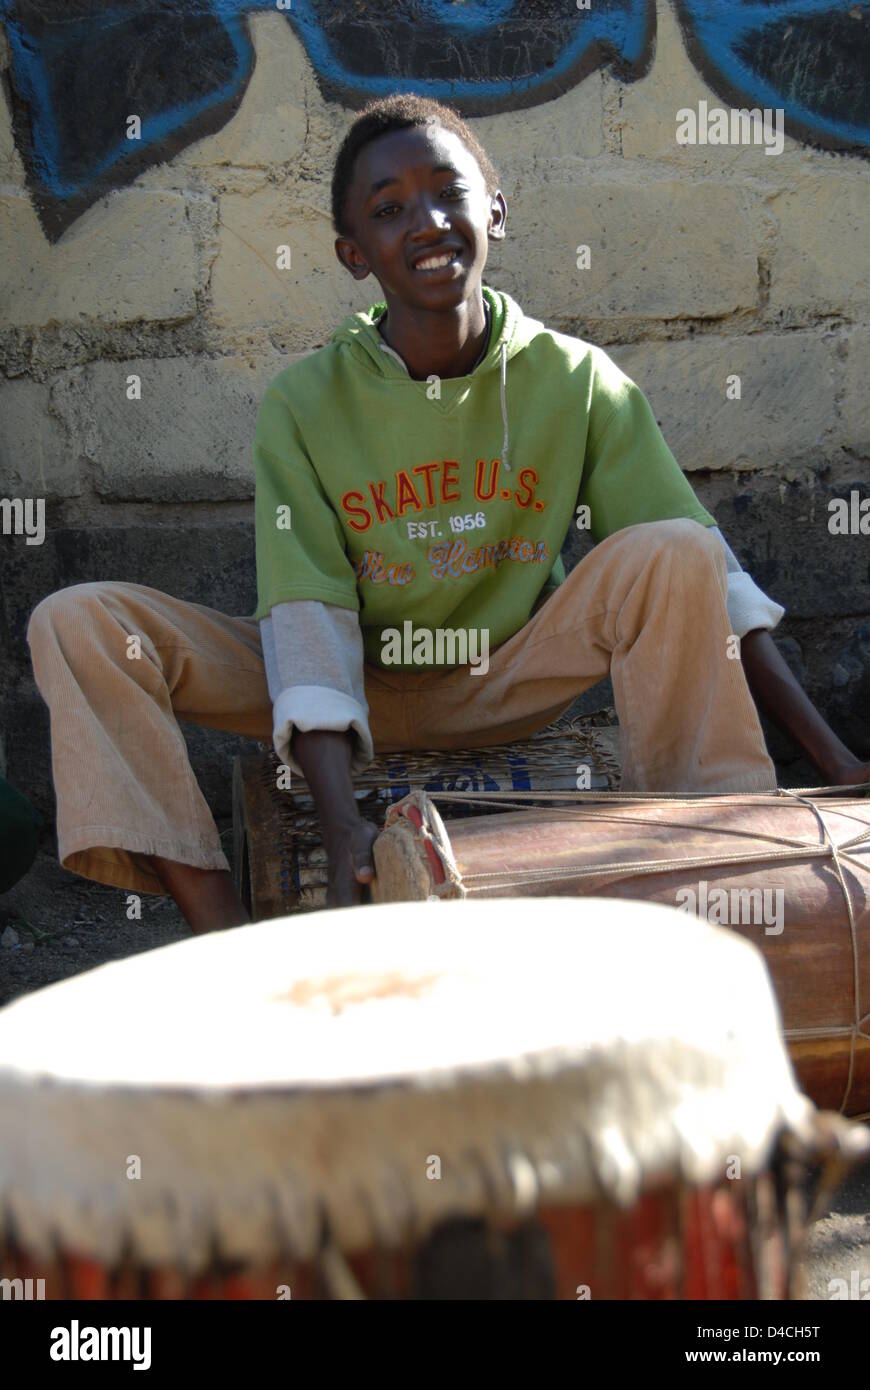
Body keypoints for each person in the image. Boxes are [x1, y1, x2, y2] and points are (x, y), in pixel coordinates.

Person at [25, 94, 870, 933]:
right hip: (348, 684)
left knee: (678, 543)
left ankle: (716, 863)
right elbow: (308, 612)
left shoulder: (576, 379)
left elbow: (712, 582)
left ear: (494, 211)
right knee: (78, 621)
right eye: (389, 210)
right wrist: (340, 817)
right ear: (354, 254)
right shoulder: (304, 402)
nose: (426, 221)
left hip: (502, 679)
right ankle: (219, 927)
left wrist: (830, 756)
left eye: (448, 192)